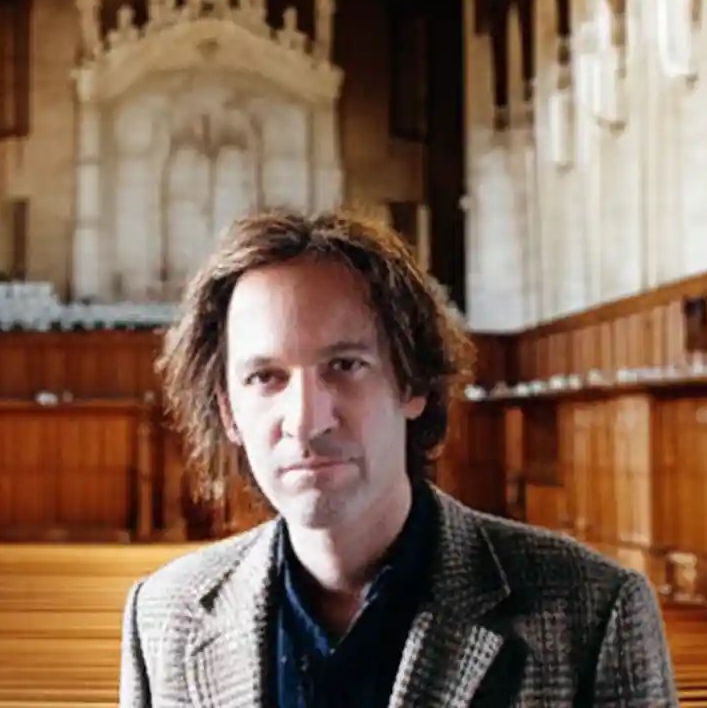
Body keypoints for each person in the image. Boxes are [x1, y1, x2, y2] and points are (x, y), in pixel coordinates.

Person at [119, 210, 677, 707]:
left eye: (345, 365)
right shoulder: (162, 619)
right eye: (266, 377)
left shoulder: (594, 613)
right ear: (229, 411)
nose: (308, 420)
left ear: (413, 382)